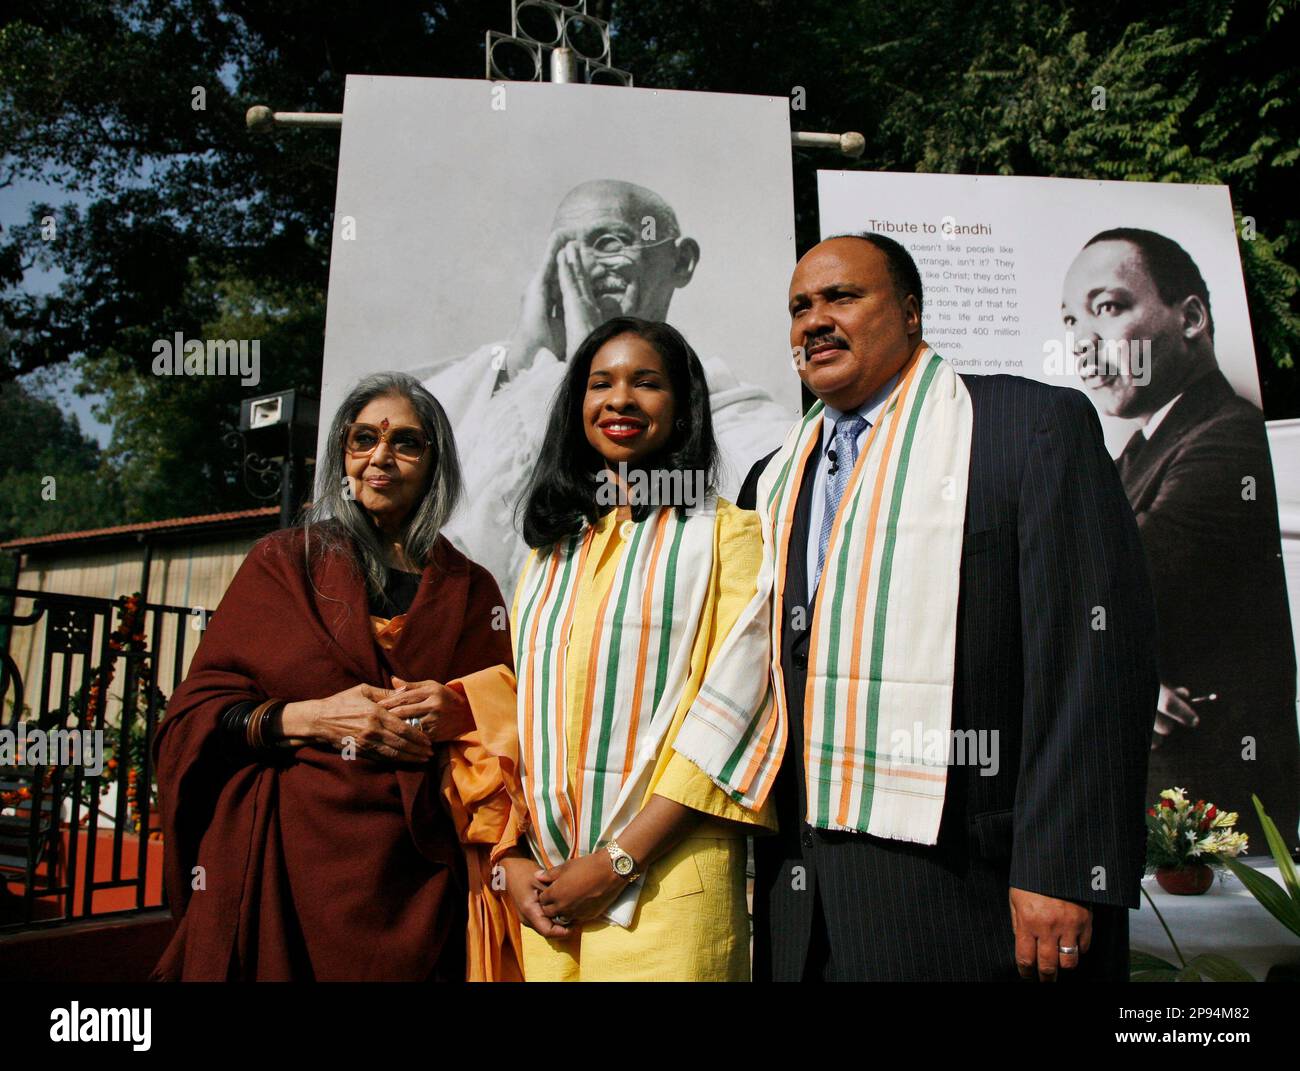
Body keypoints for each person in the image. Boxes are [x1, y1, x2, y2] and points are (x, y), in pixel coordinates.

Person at [726, 233, 1158, 981]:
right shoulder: (771, 478)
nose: (815, 320)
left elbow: (1094, 661)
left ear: (912, 313)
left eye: (843, 297)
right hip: (808, 895)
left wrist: (1065, 867)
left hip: (973, 892)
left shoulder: (1024, 427)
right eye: (800, 307)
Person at [152, 373, 525, 981]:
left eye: (406, 442)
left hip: (421, 870)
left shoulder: (469, 588)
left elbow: (512, 720)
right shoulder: (287, 562)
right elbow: (197, 714)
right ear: (343, 456)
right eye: (363, 440)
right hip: (288, 860)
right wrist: (311, 718)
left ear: (435, 463)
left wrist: (461, 707)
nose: (381, 456)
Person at [494, 316, 780, 981]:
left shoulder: (728, 535)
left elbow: (731, 716)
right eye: (601, 384)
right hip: (551, 897)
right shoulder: (550, 553)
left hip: (666, 887)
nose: (619, 399)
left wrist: (617, 859)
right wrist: (509, 856)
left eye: (646, 383)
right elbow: (523, 712)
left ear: (682, 406)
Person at [409, 179, 796, 588]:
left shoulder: (736, 413)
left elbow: (713, 510)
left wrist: (580, 372)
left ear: (681, 262)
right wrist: (527, 358)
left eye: (610, 242)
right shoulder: (500, 381)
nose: (582, 266)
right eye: (564, 251)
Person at [1061, 228, 1299, 847]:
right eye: (1070, 321)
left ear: (1190, 316)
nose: (1082, 345)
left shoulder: (1226, 436)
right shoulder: (1139, 449)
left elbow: (1114, 583)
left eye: (1107, 308)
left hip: (1214, 807)